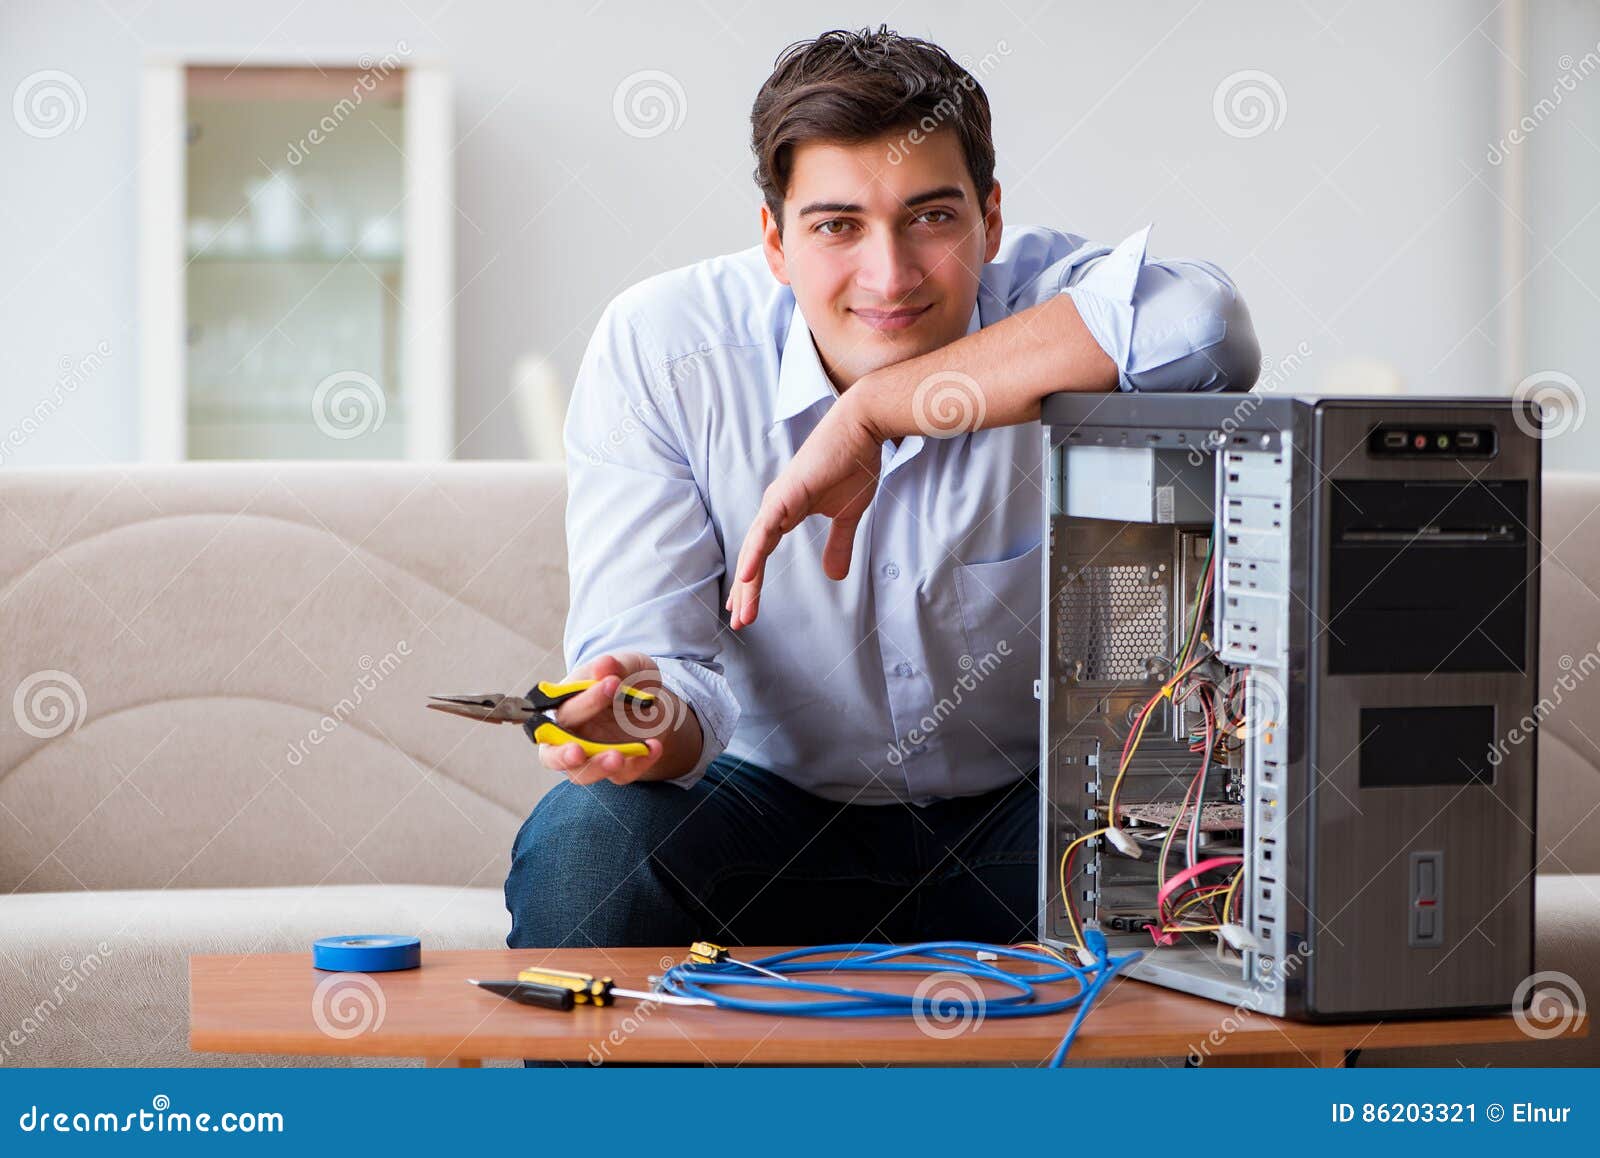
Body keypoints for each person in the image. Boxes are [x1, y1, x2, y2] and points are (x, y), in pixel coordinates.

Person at [505, 26, 1259, 954]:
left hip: (1030, 826)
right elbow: (666, 674)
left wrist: (874, 410)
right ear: (775, 240)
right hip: (768, 817)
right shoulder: (666, 349)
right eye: (836, 226)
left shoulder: (1052, 304)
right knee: (586, 845)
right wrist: (641, 714)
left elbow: (1209, 328)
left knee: (1232, 845)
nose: (889, 274)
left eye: (933, 217)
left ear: (989, 217)